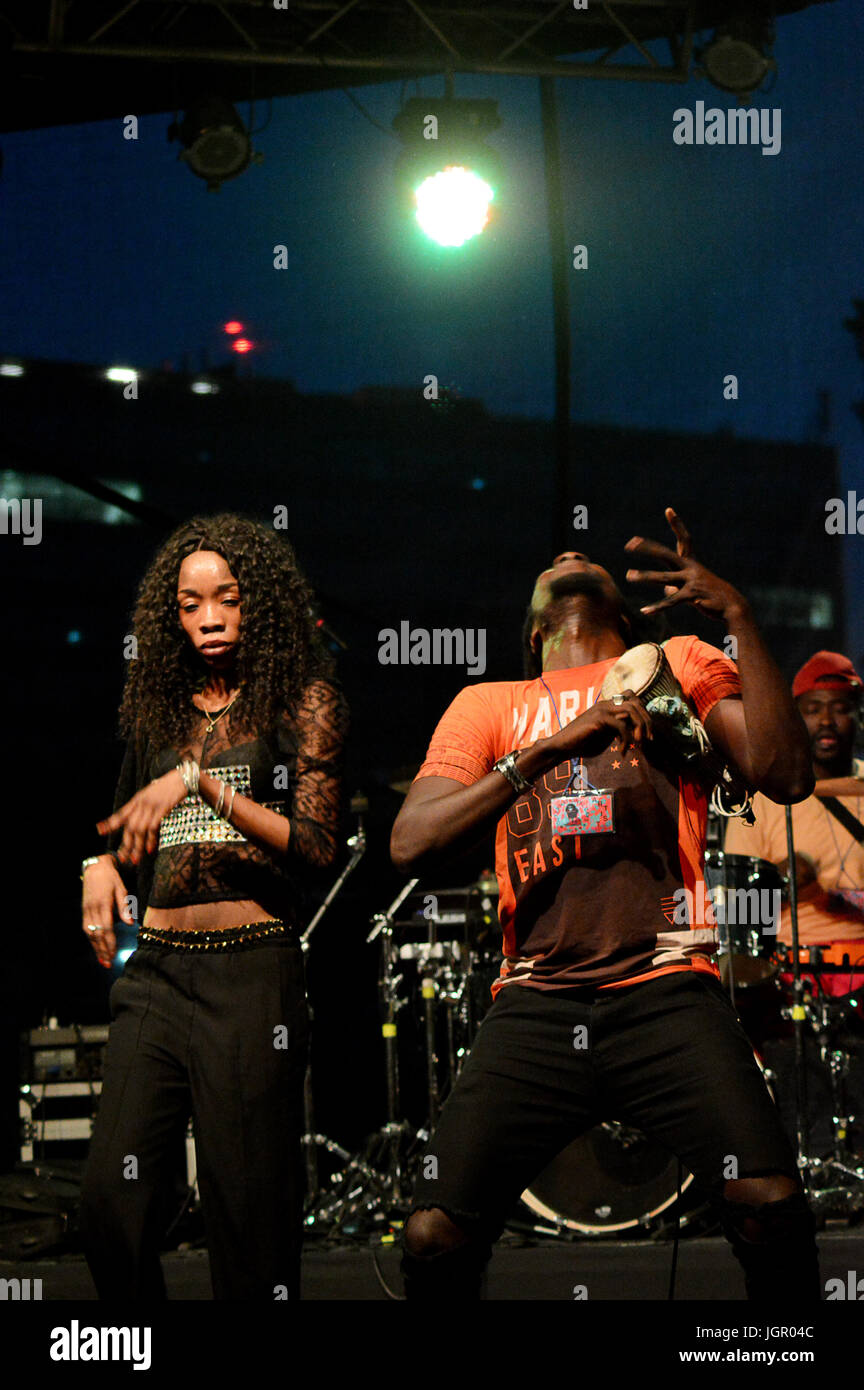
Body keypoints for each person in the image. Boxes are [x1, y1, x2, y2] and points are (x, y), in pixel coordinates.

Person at [391, 506, 820, 1301]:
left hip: (667, 990)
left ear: (624, 617)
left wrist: (738, 615)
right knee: (432, 1234)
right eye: (553, 560)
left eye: (583, 557)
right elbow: (410, 842)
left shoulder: (674, 661)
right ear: (532, 633)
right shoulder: (489, 704)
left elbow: (787, 774)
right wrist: (549, 746)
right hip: (537, 1002)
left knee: (770, 1204)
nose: (568, 551)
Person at [79, 513, 347, 1300]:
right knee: (108, 1203)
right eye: (190, 604)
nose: (209, 617)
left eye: (227, 597)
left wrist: (203, 785)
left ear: (258, 601)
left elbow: (317, 847)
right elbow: (123, 826)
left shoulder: (305, 701)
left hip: (251, 973)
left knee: (250, 1222)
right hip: (156, 976)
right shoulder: (158, 714)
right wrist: (96, 866)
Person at [724, 651, 864, 996]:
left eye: (840, 708)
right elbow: (736, 912)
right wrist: (775, 882)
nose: (826, 721)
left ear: (859, 715)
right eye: (813, 710)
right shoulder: (762, 798)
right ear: (794, 719)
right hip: (789, 979)